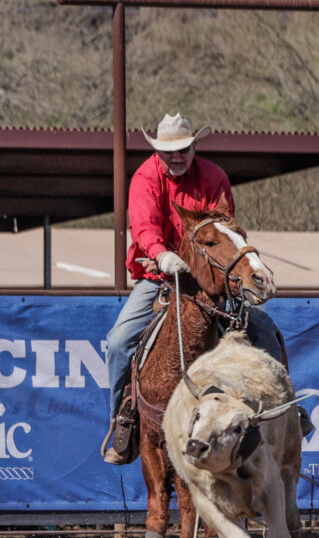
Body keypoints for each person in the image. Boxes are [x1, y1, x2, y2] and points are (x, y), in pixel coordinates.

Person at [102, 112, 286, 465]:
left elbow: (224, 229)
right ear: (157, 150)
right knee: (120, 341)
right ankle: (123, 420)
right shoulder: (144, 178)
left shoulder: (214, 177)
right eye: (168, 150)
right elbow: (143, 228)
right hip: (159, 276)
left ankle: (280, 413)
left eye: (182, 149)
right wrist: (161, 254)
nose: (176, 157)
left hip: (210, 282)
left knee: (263, 329)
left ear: (193, 147)